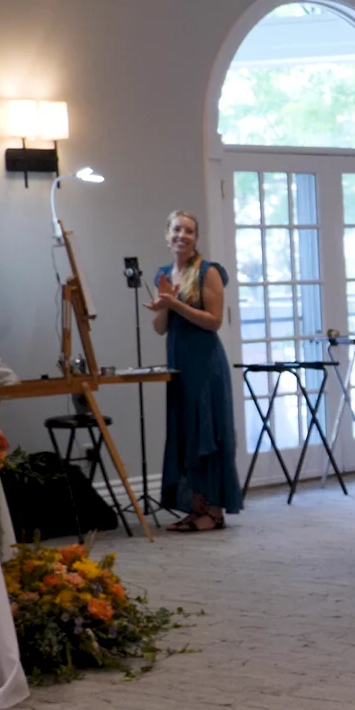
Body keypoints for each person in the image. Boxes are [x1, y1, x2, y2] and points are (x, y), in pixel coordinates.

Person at [150, 210, 243, 532]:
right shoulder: (163, 273)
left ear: (196, 238)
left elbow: (214, 321)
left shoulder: (209, 272)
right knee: (186, 432)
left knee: (207, 431)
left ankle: (213, 510)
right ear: (167, 234)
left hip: (205, 364)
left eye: (189, 231)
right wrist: (164, 305)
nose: (183, 235)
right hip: (178, 363)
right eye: (177, 229)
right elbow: (161, 328)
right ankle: (195, 507)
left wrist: (175, 304)